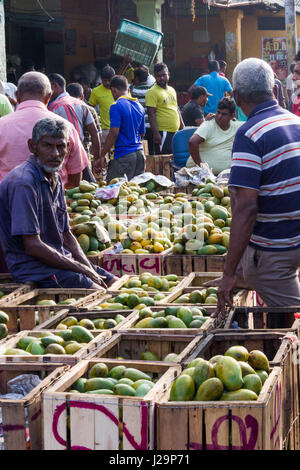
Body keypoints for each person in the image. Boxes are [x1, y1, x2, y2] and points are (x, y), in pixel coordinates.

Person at [208, 57, 300, 318]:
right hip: (294, 239)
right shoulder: (294, 122)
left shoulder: (249, 134)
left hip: (276, 250)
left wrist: (227, 274)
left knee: (290, 324)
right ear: (274, 90)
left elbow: (246, 207)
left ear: (236, 98)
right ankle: (250, 275)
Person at [0, 117, 117, 288]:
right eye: (47, 146)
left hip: (59, 262)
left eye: (60, 146)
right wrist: (81, 269)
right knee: (100, 293)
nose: (55, 154)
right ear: (33, 147)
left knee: (114, 282)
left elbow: (66, 234)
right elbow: (33, 246)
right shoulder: (24, 183)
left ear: (68, 148)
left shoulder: (54, 177)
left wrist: (87, 266)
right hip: (35, 269)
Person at [0, 71, 89, 188]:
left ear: (17, 96)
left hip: (7, 203)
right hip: (54, 203)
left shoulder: (2, 125)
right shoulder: (66, 127)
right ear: (48, 97)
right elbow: (75, 179)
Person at [48, 73, 100, 181]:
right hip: (83, 155)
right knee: (88, 187)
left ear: (54, 86)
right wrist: (97, 159)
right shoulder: (82, 104)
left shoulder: (54, 107)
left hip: (64, 157)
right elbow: (94, 133)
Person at [99, 75, 146, 182]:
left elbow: (114, 133)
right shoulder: (139, 106)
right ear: (128, 89)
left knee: (113, 191)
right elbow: (142, 134)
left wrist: (102, 154)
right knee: (135, 192)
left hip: (123, 156)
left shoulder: (116, 105)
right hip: (140, 155)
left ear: (113, 90)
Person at [187, 97, 243, 175]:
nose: (219, 116)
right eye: (218, 112)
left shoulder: (237, 126)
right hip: (201, 175)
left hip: (224, 176)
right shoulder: (209, 125)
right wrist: (201, 167)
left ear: (232, 116)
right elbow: (192, 142)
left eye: (224, 114)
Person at [146, 62, 184, 154]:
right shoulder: (152, 92)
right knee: (164, 160)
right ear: (155, 76)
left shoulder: (172, 90)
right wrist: (156, 133)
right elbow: (151, 114)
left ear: (168, 75)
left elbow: (176, 108)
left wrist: (182, 124)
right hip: (163, 132)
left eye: (163, 75)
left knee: (174, 157)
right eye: (158, 76)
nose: (161, 78)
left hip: (175, 131)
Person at [66, 82, 102, 169]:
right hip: (84, 151)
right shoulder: (89, 110)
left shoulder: (61, 108)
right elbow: (97, 134)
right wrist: (96, 158)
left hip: (66, 153)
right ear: (82, 97)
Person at [130, 66, 155, 155]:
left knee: (142, 150)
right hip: (151, 126)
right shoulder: (152, 89)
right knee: (152, 150)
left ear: (136, 78)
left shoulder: (133, 90)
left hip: (139, 126)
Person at [88, 65, 115, 146]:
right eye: (104, 80)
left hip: (120, 128)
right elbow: (90, 108)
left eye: (109, 80)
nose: (107, 83)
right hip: (105, 130)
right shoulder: (96, 91)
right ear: (101, 79)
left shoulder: (120, 88)